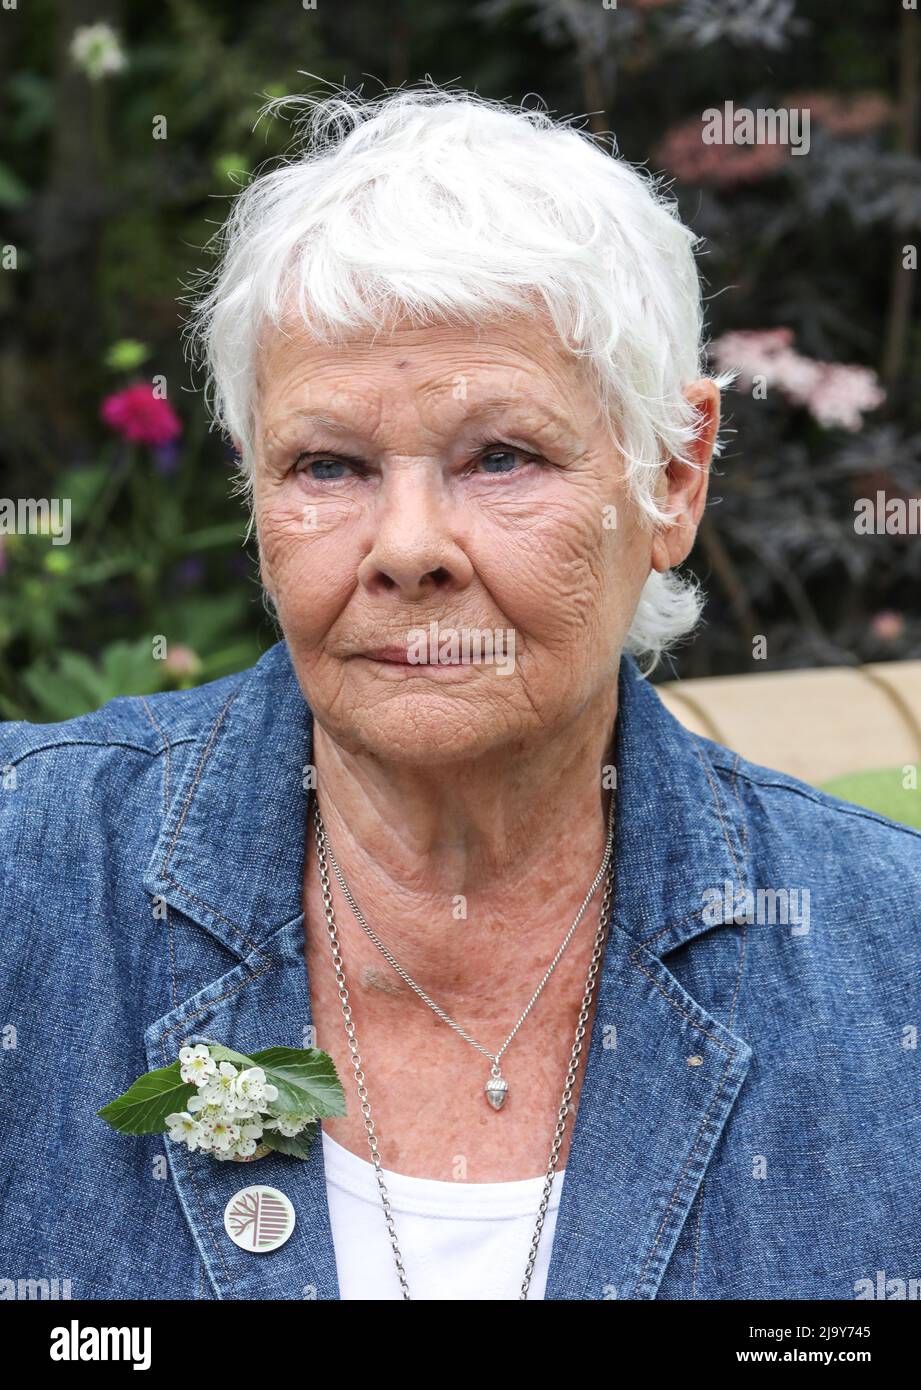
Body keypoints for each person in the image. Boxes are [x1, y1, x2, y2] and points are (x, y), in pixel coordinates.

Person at [1, 82, 918, 1302]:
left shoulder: (889, 959)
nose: (407, 547)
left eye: (501, 457)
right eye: (329, 464)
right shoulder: (30, 879)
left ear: (672, 477)